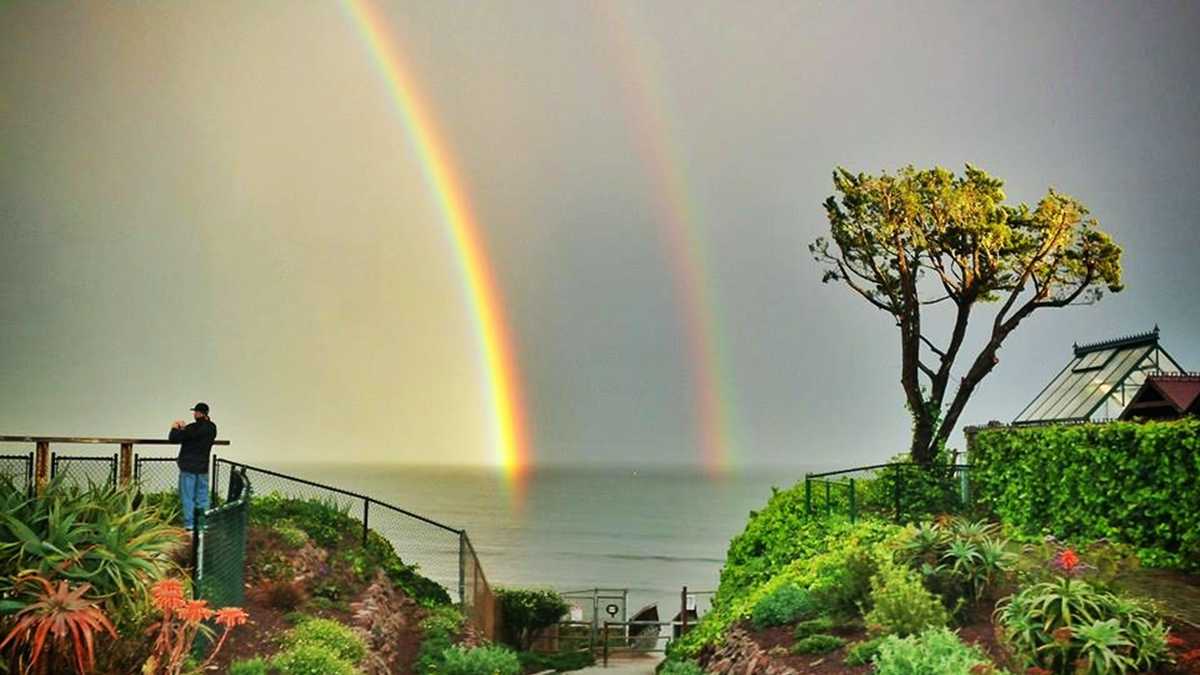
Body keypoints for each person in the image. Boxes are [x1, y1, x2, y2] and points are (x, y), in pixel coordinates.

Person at [169, 402, 218, 531]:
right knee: (202, 497)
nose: (194, 414)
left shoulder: (192, 428)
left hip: (188, 467)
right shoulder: (212, 428)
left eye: (195, 412)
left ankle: (190, 523)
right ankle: (202, 523)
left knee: (188, 496)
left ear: (199, 413)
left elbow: (173, 438)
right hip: (203, 467)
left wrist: (176, 427)